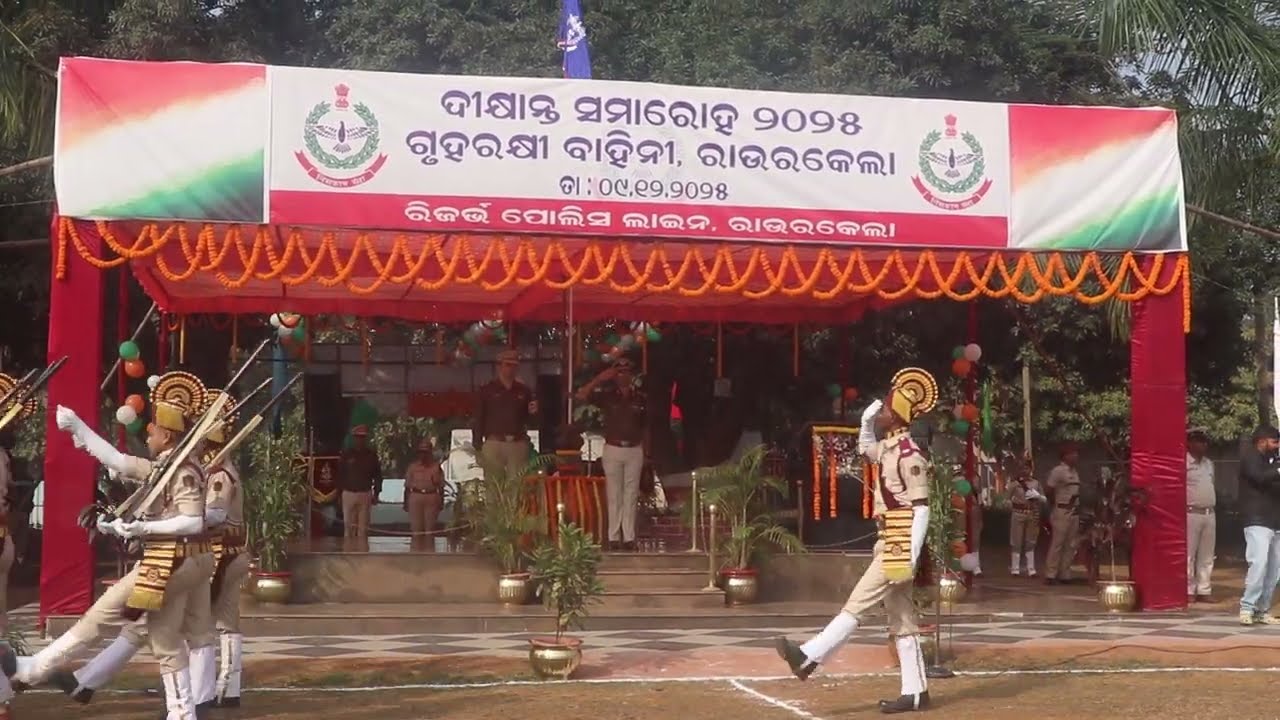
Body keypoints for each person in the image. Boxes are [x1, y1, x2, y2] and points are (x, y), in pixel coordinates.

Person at [19, 371, 214, 720]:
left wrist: (141, 527)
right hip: (177, 559)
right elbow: (117, 461)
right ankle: (183, 713)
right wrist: (78, 427)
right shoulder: (163, 467)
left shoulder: (182, 470)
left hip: (172, 560)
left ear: (167, 435)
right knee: (165, 637)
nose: (148, 432)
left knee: (101, 613)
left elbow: (193, 521)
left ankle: (37, 667)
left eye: (153, 428)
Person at [49, 389, 244, 712]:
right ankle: (91, 681)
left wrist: (153, 525)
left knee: (181, 628)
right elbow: (122, 463)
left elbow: (209, 517)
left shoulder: (213, 474)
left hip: (202, 554)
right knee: (179, 628)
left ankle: (198, 699)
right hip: (194, 553)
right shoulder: (188, 469)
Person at [775, 368, 938, 714]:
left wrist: (911, 551)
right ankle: (916, 692)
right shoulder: (891, 447)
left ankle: (809, 657)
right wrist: (865, 423)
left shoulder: (909, 454)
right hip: (889, 537)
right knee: (901, 617)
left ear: (896, 414)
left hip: (899, 540)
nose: (879, 413)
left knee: (859, 602)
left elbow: (922, 508)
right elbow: (866, 448)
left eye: (883, 410)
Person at [576, 358, 646, 551]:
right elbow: (581, 395)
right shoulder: (607, 396)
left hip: (634, 448)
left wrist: (646, 451)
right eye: (619, 372)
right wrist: (599, 379)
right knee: (614, 493)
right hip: (613, 447)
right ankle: (614, 537)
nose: (623, 375)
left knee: (631, 494)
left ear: (631, 375)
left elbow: (646, 426)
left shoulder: (640, 397)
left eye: (626, 371)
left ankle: (629, 537)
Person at [472, 348, 537, 481]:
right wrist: (477, 446)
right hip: (494, 442)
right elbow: (478, 417)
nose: (511, 369)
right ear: (499, 366)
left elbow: (531, 421)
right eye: (507, 365)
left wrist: (534, 413)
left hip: (517, 442)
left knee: (516, 486)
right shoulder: (487, 390)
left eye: (514, 366)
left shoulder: (524, 391)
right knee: (494, 487)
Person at [1238, 425, 1280, 625]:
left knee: (1274, 570)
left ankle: (1262, 609)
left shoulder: (1269, 461)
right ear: (1262, 440)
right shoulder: (1250, 457)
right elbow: (1259, 477)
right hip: (1257, 520)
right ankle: (1247, 607)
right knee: (1259, 564)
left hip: (1275, 521)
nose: (1276, 446)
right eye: (1274, 441)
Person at [1185, 427, 1217, 602]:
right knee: (1189, 554)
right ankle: (1189, 589)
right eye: (1198, 441)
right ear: (1190, 443)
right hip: (1191, 512)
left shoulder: (1209, 463)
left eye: (1204, 442)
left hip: (1209, 512)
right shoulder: (1184, 463)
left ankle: (1204, 589)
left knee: (1207, 554)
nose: (1203, 445)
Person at [1043, 442, 1081, 585]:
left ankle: (1065, 573)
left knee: (1071, 544)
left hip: (1074, 511)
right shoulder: (1058, 471)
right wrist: (1055, 505)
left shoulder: (1074, 472)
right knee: (1057, 543)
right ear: (1065, 456)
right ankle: (1050, 574)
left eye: (1076, 453)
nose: (1076, 456)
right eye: (1072, 453)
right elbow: (1049, 490)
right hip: (1062, 510)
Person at [339, 425, 382, 542]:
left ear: (365, 438)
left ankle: (362, 554)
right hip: (349, 492)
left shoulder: (371, 455)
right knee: (348, 528)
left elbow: (378, 475)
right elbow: (340, 474)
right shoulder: (347, 454)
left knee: (363, 528)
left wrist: (376, 492)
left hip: (365, 493)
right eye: (358, 437)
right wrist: (339, 493)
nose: (360, 439)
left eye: (362, 437)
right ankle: (349, 554)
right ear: (354, 438)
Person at [403, 438, 445, 549]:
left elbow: (441, 486)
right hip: (416, 496)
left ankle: (429, 555)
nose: (423, 455)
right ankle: (415, 555)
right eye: (421, 452)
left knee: (429, 531)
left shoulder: (436, 467)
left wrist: (441, 502)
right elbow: (407, 486)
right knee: (416, 530)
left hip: (431, 497)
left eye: (425, 452)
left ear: (430, 452)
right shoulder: (413, 467)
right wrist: (405, 502)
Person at [1008, 454, 1044, 577]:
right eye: (1022, 468)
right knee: (1016, 541)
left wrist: (1037, 496)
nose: (1025, 470)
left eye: (1027, 468)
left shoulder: (1036, 483)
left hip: (1031, 513)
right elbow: (1006, 499)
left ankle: (1031, 568)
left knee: (1031, 541)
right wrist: (1011, 503)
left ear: (1031, 469)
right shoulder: (1014, 483)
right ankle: (1015, 568)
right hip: (1018, 513)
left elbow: (1044, 499)